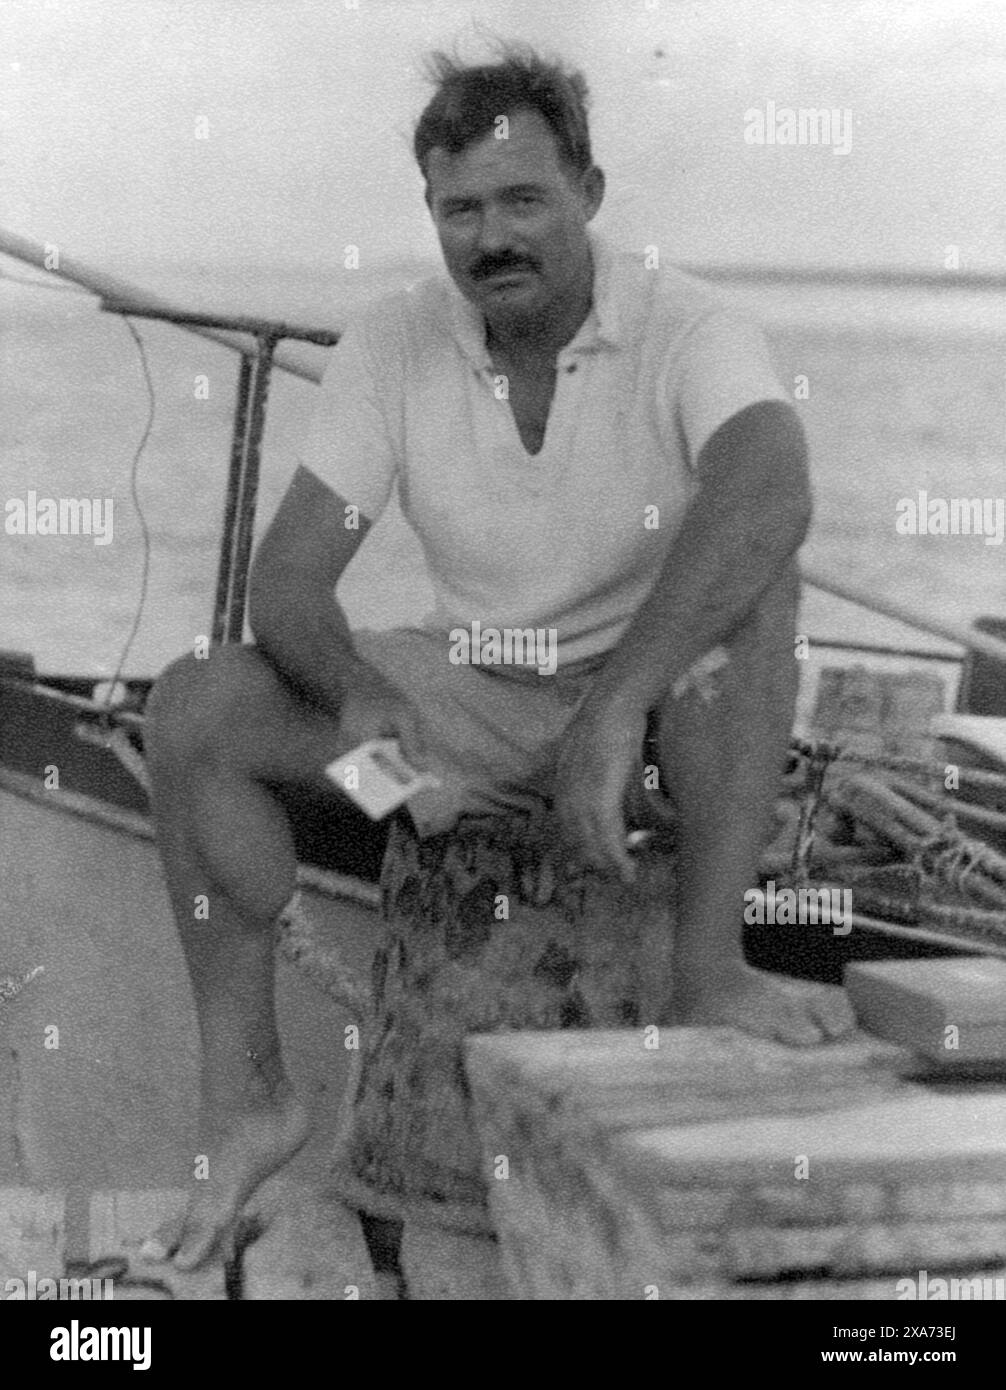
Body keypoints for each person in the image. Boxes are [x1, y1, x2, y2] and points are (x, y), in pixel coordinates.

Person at [144, 45, 854, 1279]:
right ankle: (249, 1093)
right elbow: (290, 581)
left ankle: (708, 969)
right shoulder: (395, 341)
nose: (491, 238)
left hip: (646, 717)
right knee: (196, 706)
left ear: (587, 187)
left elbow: (769, 486)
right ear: (431, 217)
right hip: (463, 700)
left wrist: (615, 705)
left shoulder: (689, 325)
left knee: (757, 594)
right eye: (459, 210)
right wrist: (368, 718)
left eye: (522, 200)